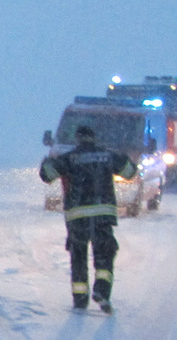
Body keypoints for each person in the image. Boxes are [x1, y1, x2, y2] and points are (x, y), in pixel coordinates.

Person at [39, 125, 138, 311]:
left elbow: (47, 175)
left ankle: (80, 298)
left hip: (77, 217)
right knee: (105, 254)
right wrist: (123, 157)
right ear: (94, 138)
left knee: (78, 257)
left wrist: (46, 162)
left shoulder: (69, 158)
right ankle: (102, 290)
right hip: (103, 216)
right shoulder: (108, 155)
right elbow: (130, 172)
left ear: (78, 139)